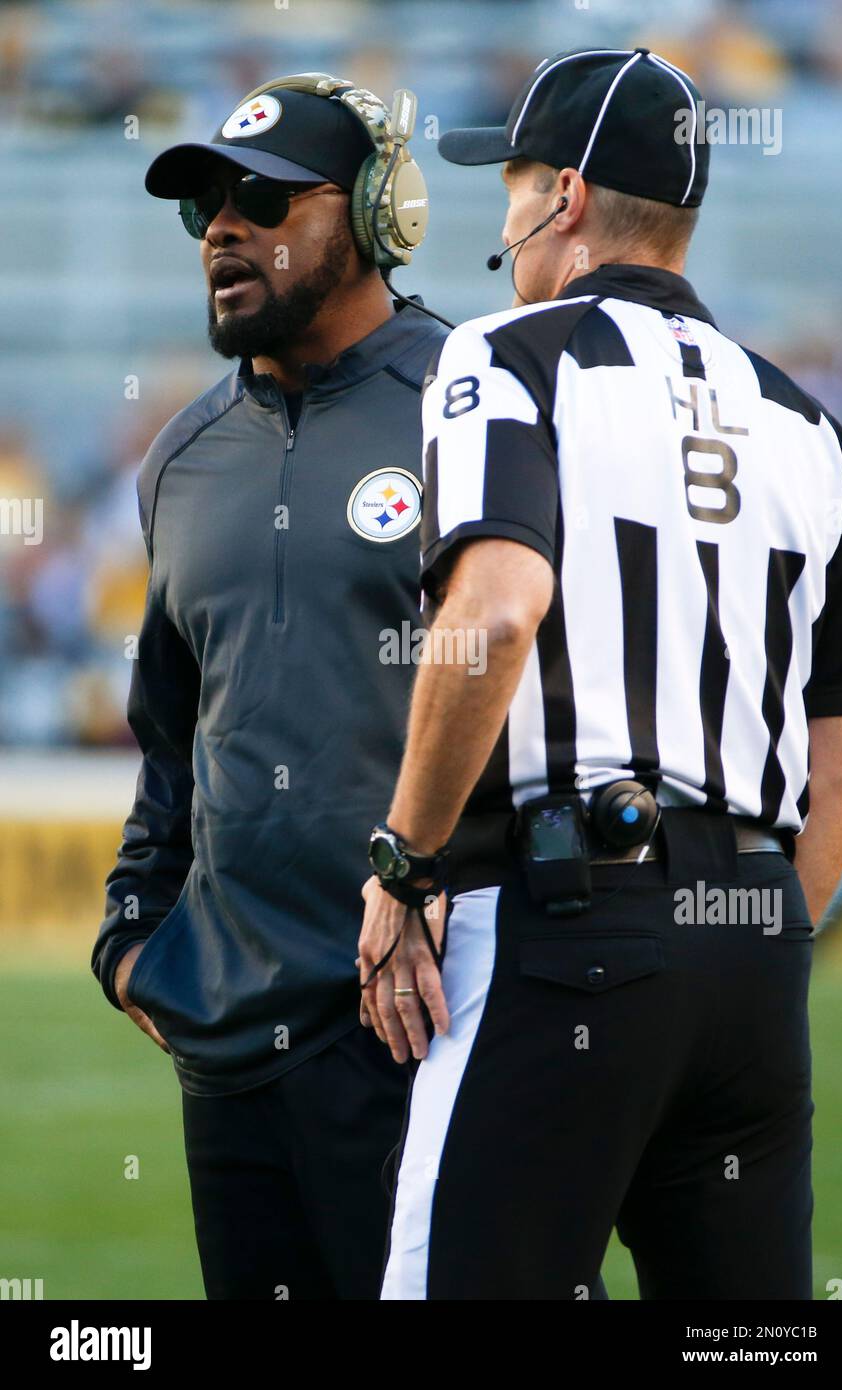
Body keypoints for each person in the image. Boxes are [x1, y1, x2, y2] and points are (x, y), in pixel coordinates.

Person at [357, 46, 842, 1300]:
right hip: (755, 953)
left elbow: (495, 612)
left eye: (515, 183)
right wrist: (757, 941)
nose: (504, 219)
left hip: (570, 918)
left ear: (567, 198)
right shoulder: (810, 425)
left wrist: (405, 862)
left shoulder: (508, 355)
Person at [91, 72, 448, 1300]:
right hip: (232, 1044)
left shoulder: (474, 404)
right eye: (206, 208)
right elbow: (169, 736)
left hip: (427, 1025)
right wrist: (131, 931)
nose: (225, 230)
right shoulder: (182, 457)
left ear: (377, 211)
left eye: (263, 199)